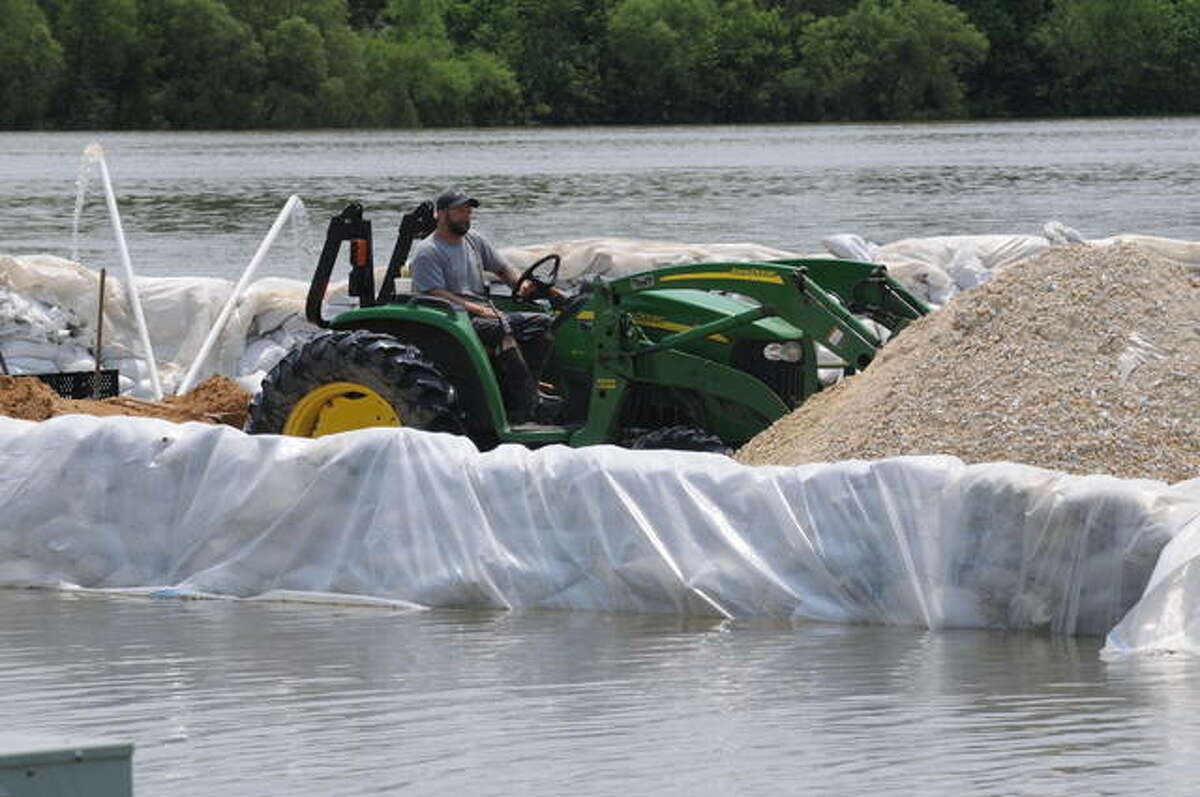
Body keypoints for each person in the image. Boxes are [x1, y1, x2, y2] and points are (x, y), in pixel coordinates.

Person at [409, 188, 557, 424]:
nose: (466, 216)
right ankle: (526, 404)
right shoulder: (428, 252)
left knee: (544, 323)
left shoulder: (474, 240)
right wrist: (477, 309)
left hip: (481, 311)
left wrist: (520, 284)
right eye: (460, 211)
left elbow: (502, 268)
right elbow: (435, 293)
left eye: (468, 211)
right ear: (441, 214)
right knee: (500, 326)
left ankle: (528, 387)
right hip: (451, 316)